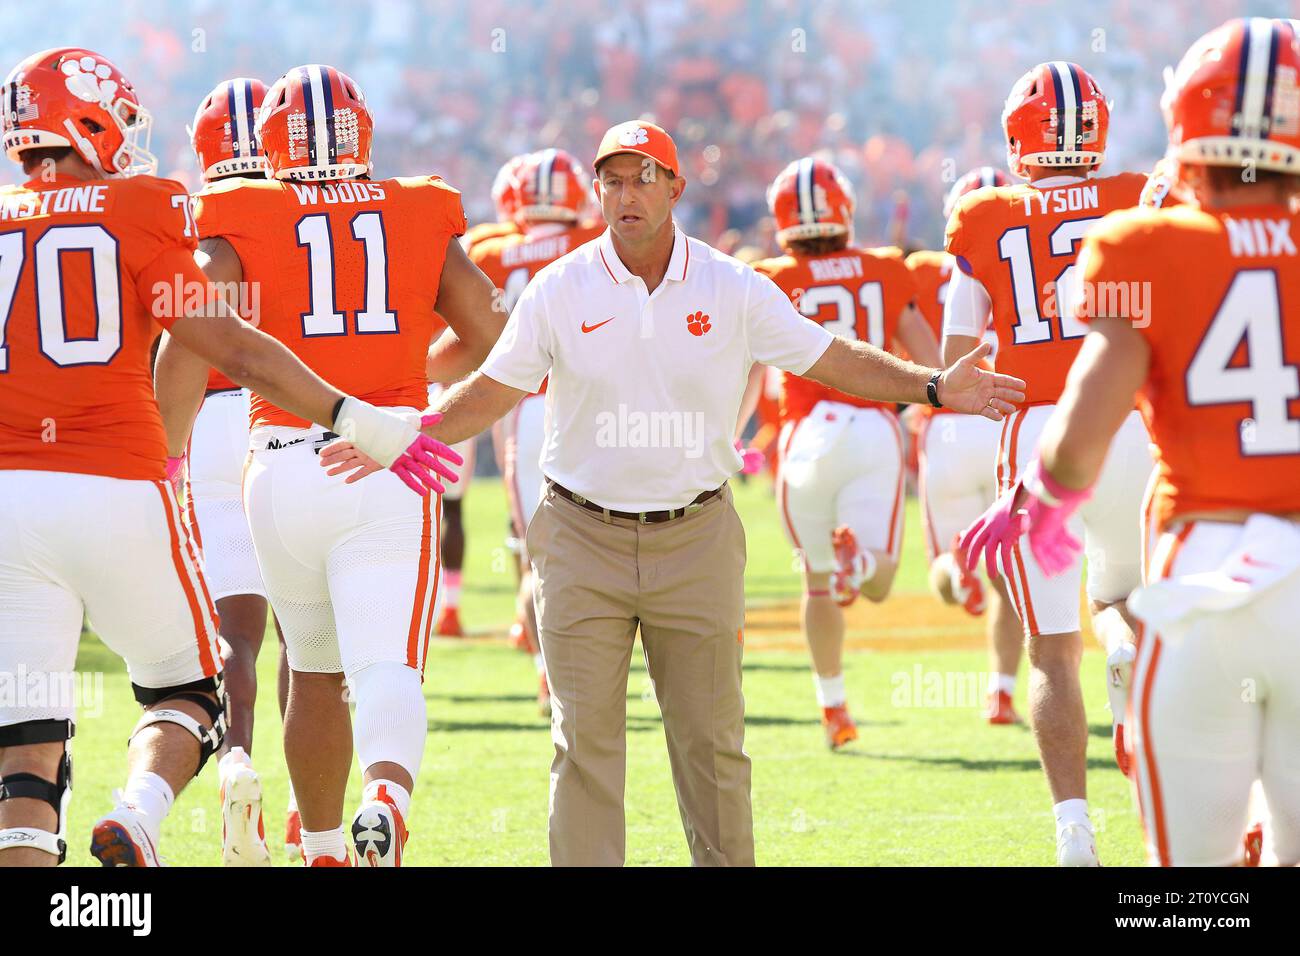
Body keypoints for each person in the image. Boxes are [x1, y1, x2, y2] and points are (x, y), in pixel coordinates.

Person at [326, 120, 1025, 866]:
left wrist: (930, 386)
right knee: (585, 746)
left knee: (713, 749)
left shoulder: (731, 285)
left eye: (643, 177)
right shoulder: (561, 287)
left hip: (696, 534)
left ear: (676, 188)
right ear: (597, 190)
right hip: (580, 534)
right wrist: (408, 431)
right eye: (613, 180)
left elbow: (828, 358)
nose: (626, 194)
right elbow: (494, 389)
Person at [0, 48, 453, 868]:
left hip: (7, 503)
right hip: (113, 483)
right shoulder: (141, 206)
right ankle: (140, 812)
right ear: (90, 122)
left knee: (27, 746)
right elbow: (226, 346)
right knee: (191, 689)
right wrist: (360, 416)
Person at [962, 16, 1300, 866]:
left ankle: (1078, 831)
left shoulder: (1141, 245)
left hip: (1197, 574)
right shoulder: (1131, 208)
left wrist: (1039, 502)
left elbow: (1068, 428)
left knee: (1185, 878)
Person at [154, 63, 505, 867]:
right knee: (383, 661)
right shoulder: (418, 205)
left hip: (278, 467)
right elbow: (493, 332)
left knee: (309, 668)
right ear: (363, 132)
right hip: (382, 463)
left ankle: (319, 847)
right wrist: (417, 384)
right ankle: (385, 796)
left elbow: (183, 344)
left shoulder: (239, 211)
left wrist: (168, 459)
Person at [942, 62, 1158, 865]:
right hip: (1128, 425)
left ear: (1016, 137)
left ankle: (1074, 833)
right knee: (1129, 601)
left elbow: (961, 361)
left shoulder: (981, 215)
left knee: (1052, 649)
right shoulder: (1139, 192)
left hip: (1037, 436)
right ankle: (1129, 647)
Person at [752, 157, 940, 749]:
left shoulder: (769, 277)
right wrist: (932, 410)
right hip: (872, 429)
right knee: (879, 584)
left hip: (804, 436)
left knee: (814, 582)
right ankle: (858, 566)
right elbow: (926, 360)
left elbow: (748, 375)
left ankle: (833, 708)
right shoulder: (885, 267)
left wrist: (728, 439)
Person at [181, 75, 296, 866]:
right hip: (278, 417)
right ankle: (305, 813)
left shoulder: (190, 220)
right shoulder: (296, 208)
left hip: (199, 422)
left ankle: (236, 758)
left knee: (235, 629)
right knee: (308, 636)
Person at [469, 147, 604, 715]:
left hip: (521, 405)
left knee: (534, 553)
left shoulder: (487, 250)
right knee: (605, 537)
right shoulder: (596, 240)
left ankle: (549, 674)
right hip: (591, 403)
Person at [907, 166, 1026, 725]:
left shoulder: (917, 272)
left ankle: (961, 574)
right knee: (1011, 573)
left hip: (952, 424)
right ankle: (1001, 692)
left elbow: (913, 346)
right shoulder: (1032, 246)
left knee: (949, 576)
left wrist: (916, 399)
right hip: (1008, 421)